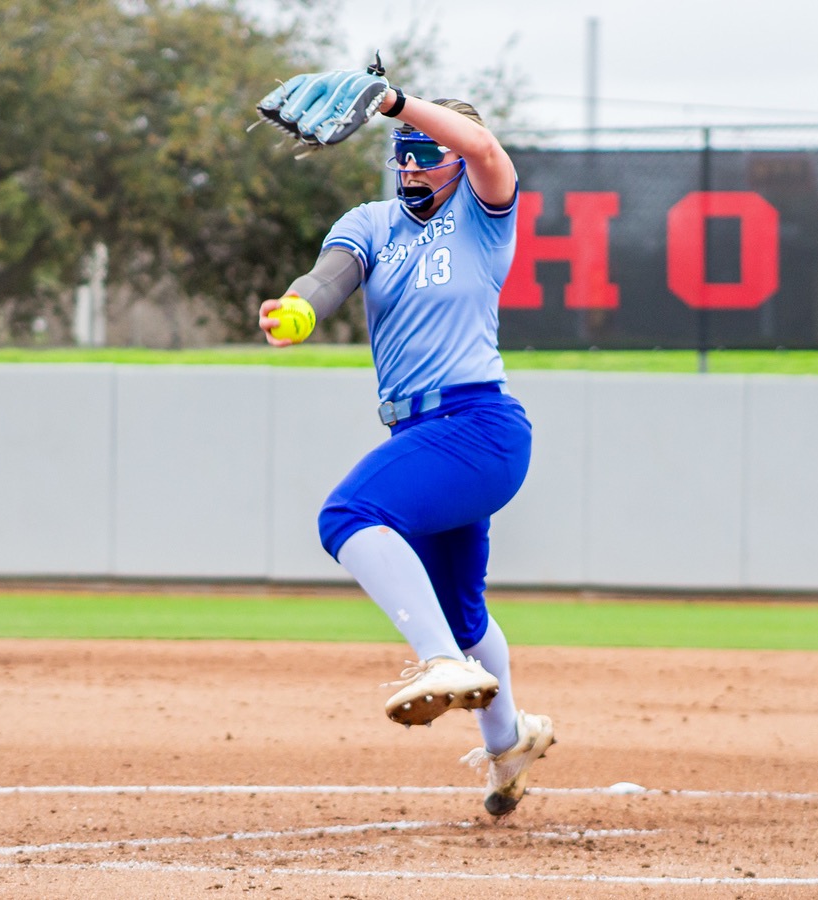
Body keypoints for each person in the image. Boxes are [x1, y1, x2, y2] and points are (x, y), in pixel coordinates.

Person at [258, 84, 554, 817]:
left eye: (425, 152)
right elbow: (330, 277)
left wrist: (394, 102)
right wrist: (298, 308)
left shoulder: (483, 217)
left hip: (479, 426)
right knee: (466, 614)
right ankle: (509, 738)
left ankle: (439, 664)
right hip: (419, 434)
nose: (411, 166)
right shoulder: (374, 223)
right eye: (401, 154)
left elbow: (485, 148)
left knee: (347, 514)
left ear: (454, 157)